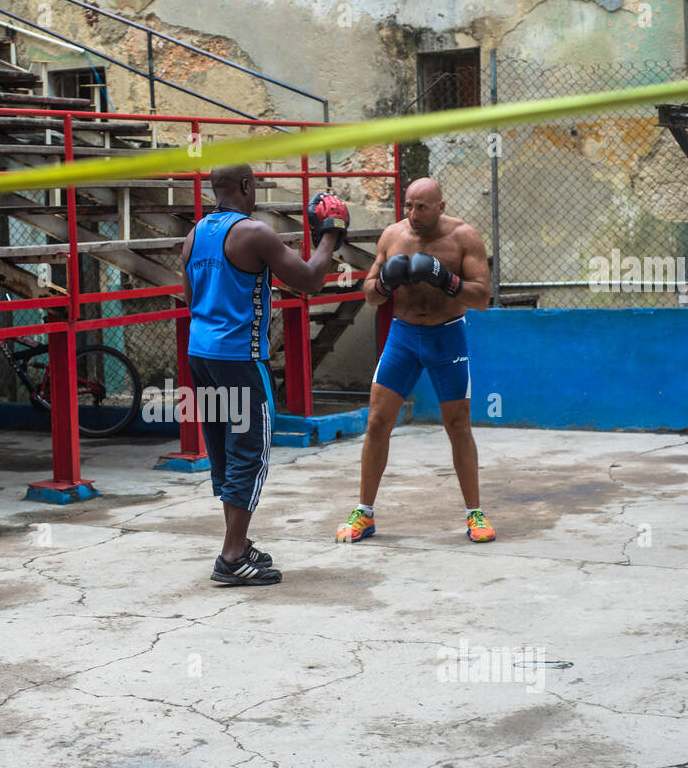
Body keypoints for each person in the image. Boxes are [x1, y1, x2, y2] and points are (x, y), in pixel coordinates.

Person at [180, 163, 347, 585]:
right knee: (250, 453)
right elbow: (310, 280)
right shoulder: (253, 233)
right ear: (247, 186)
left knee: (225, 450)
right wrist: (331, 232)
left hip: (201, 355)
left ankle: (238, 541)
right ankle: (232, 555)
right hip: (239, 359)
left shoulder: (194, 235)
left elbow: (190, 297)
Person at [335, 177, 496, 545]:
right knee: (377, 420)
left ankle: (475, 514)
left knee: (457, 423)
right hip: (403, 337)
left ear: (440, 207)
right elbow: (370, 296)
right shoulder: (393, 236)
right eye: (408, 206)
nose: (412, 214)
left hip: (447, 336)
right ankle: (365, 512)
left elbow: (482, 297)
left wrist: (447, 281)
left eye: (421, 207)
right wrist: (385, 285)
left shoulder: (464, 237)